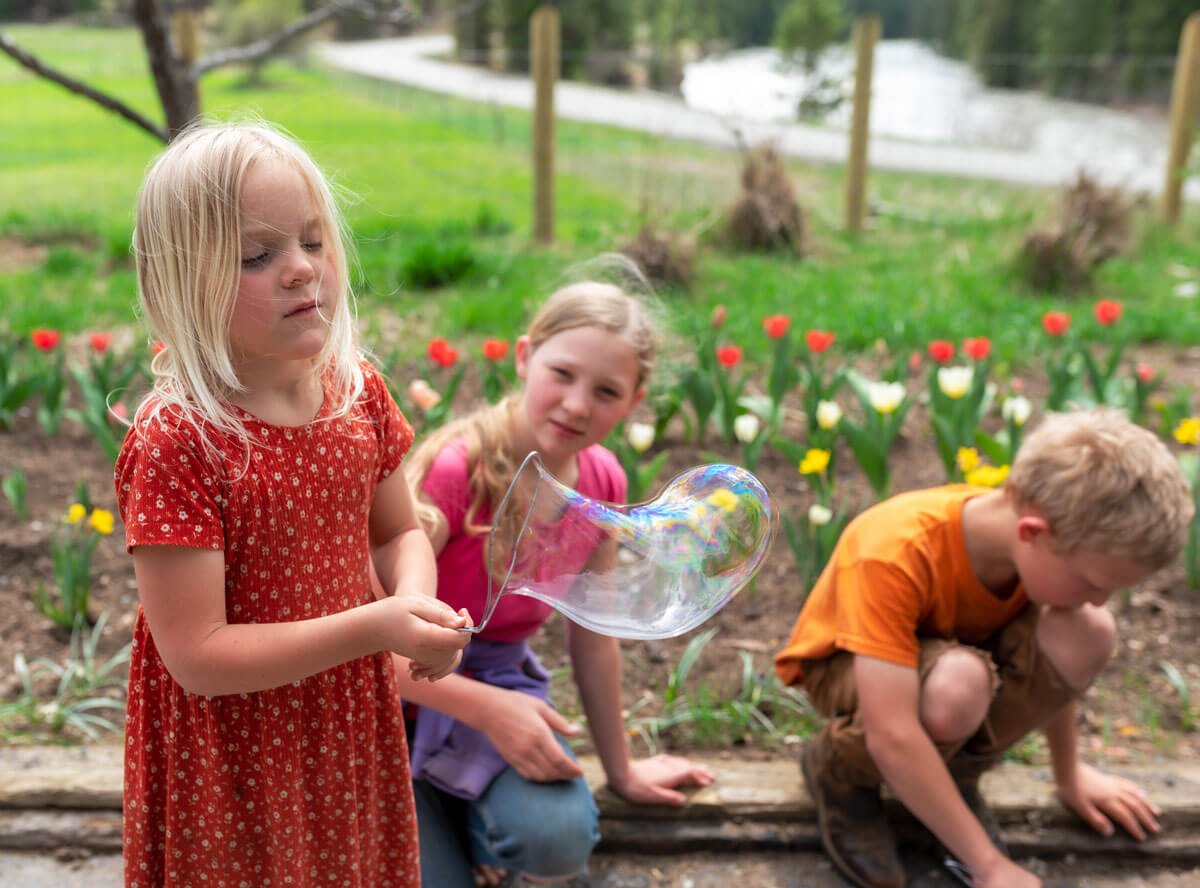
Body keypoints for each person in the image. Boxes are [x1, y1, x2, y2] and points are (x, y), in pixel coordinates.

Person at [115, 120, 471, 887]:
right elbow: (199, 656)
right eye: (257, 255)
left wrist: (415, 608)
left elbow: (398, 533)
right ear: (182, 279)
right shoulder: (181, 441)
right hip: (232, 752)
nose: (301, 270)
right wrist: (376, 625)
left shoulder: (355, 392)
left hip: (343, 725)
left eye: (314, 240)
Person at [774, 408, 1194, 888]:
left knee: (1088, 632)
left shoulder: (1036, 554)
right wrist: (989, 866)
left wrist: (1070, 776)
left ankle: (947, 779)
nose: (1100, 598)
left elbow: (1053, 674)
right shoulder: (894, 551)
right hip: (847, 668)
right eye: (1092, 582)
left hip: (953, 664)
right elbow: (893, 733)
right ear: (1032, 533)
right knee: (959, 687)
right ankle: (841, 772)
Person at [400, 281, 716, 887]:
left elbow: (592, 637)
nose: (576, 405)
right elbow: (365, 647)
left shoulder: (602, 480)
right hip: (394, 698)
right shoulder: (454, 472)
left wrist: (622, 772)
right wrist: (490, 711)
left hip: (495, 685)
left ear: (634, 402)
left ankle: (471, 821)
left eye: (606, 392)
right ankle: (438, 817)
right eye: (562, 373)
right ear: (524, 357)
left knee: (558, 840)